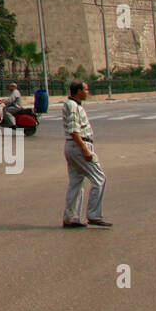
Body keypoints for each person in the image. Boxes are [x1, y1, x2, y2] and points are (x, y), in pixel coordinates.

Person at [63, 80, 110, 228]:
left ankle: (71, 217)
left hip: (73, 146)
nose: (87, 92)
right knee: (99, 179)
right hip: (79, 145)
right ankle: (94, 215)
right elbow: (74, 130)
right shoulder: (72, 106)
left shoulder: (74, 105)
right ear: (78, 91)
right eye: (86, 89)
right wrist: (85, 149)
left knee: (76, 183)